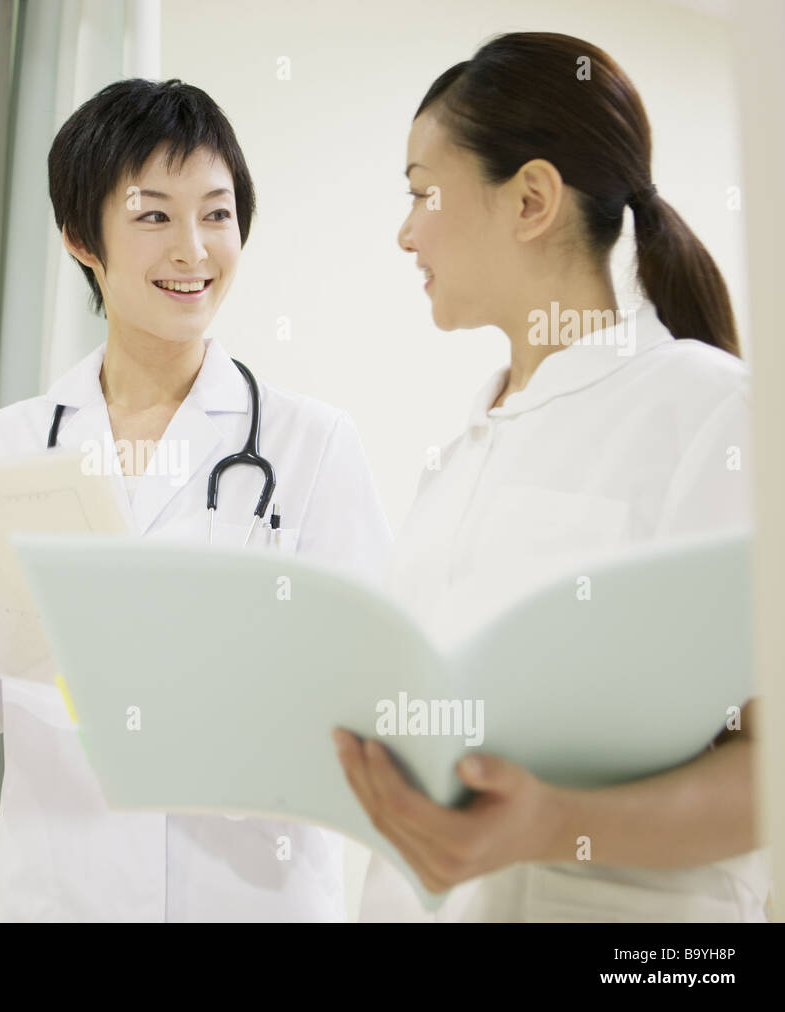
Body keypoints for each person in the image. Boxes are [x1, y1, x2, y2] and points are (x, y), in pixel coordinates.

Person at [0, 79, 392, 921]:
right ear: (82, 238)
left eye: (217, 214)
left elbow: (366, 699)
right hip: (57, 889)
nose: (193, 249)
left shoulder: (312, 446)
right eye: (153, 216)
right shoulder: (5, 448)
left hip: (248, 893)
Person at [334, 32, 769, 922]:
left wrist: (552, 824)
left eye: (423, 192)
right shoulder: (456, 462)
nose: (405, 230)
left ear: (531, 198)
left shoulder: (714, 410)